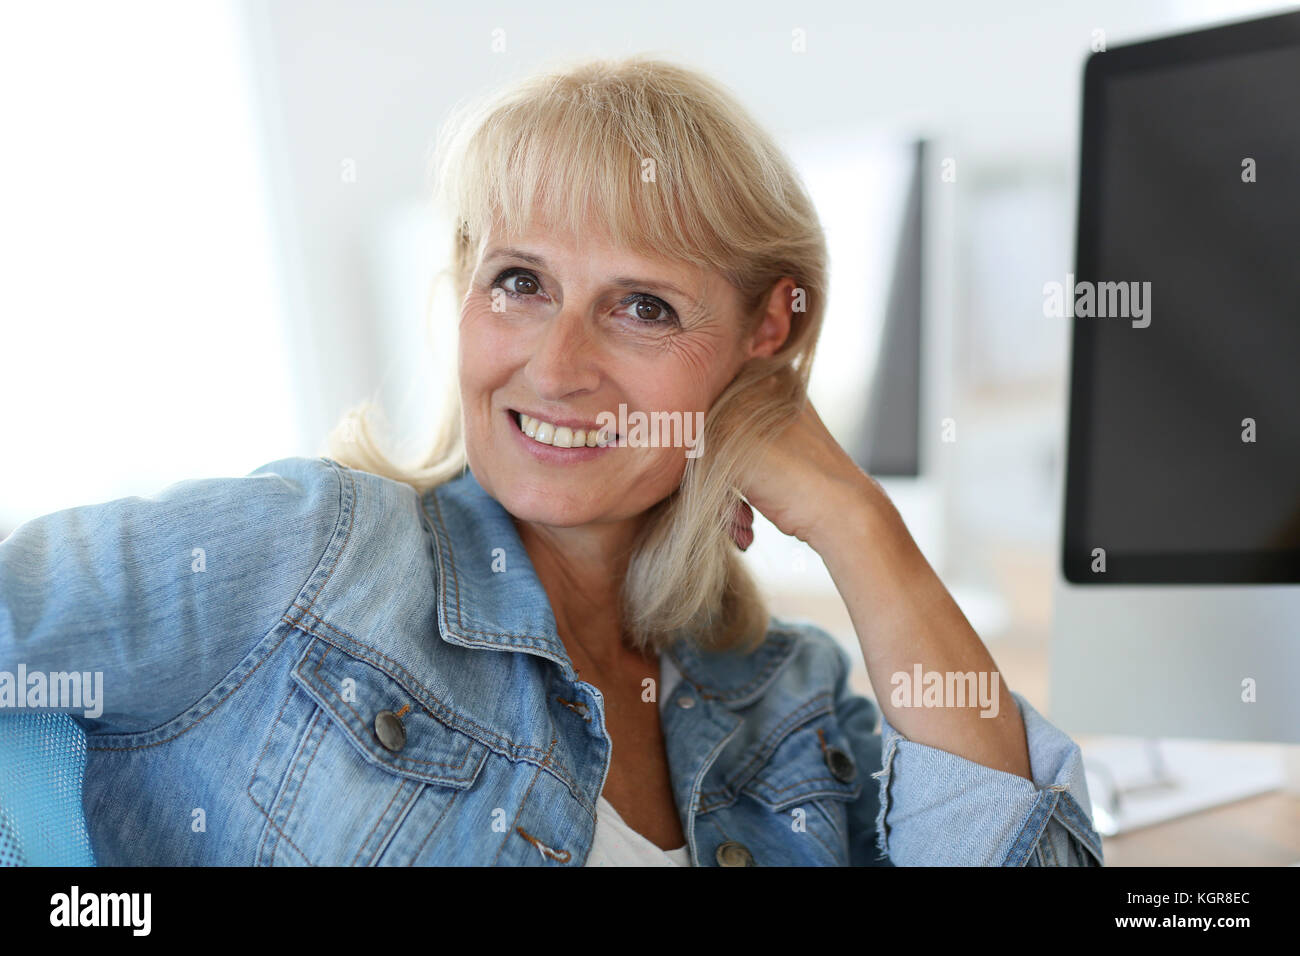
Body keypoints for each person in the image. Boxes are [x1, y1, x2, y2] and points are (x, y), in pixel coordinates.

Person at [0, 54, 1102, 866]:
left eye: (641, 305)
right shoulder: (311, 553)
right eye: (520, 281)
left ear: (766, 332)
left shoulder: (787, 698)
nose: (557, 364)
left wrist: (860, 526)